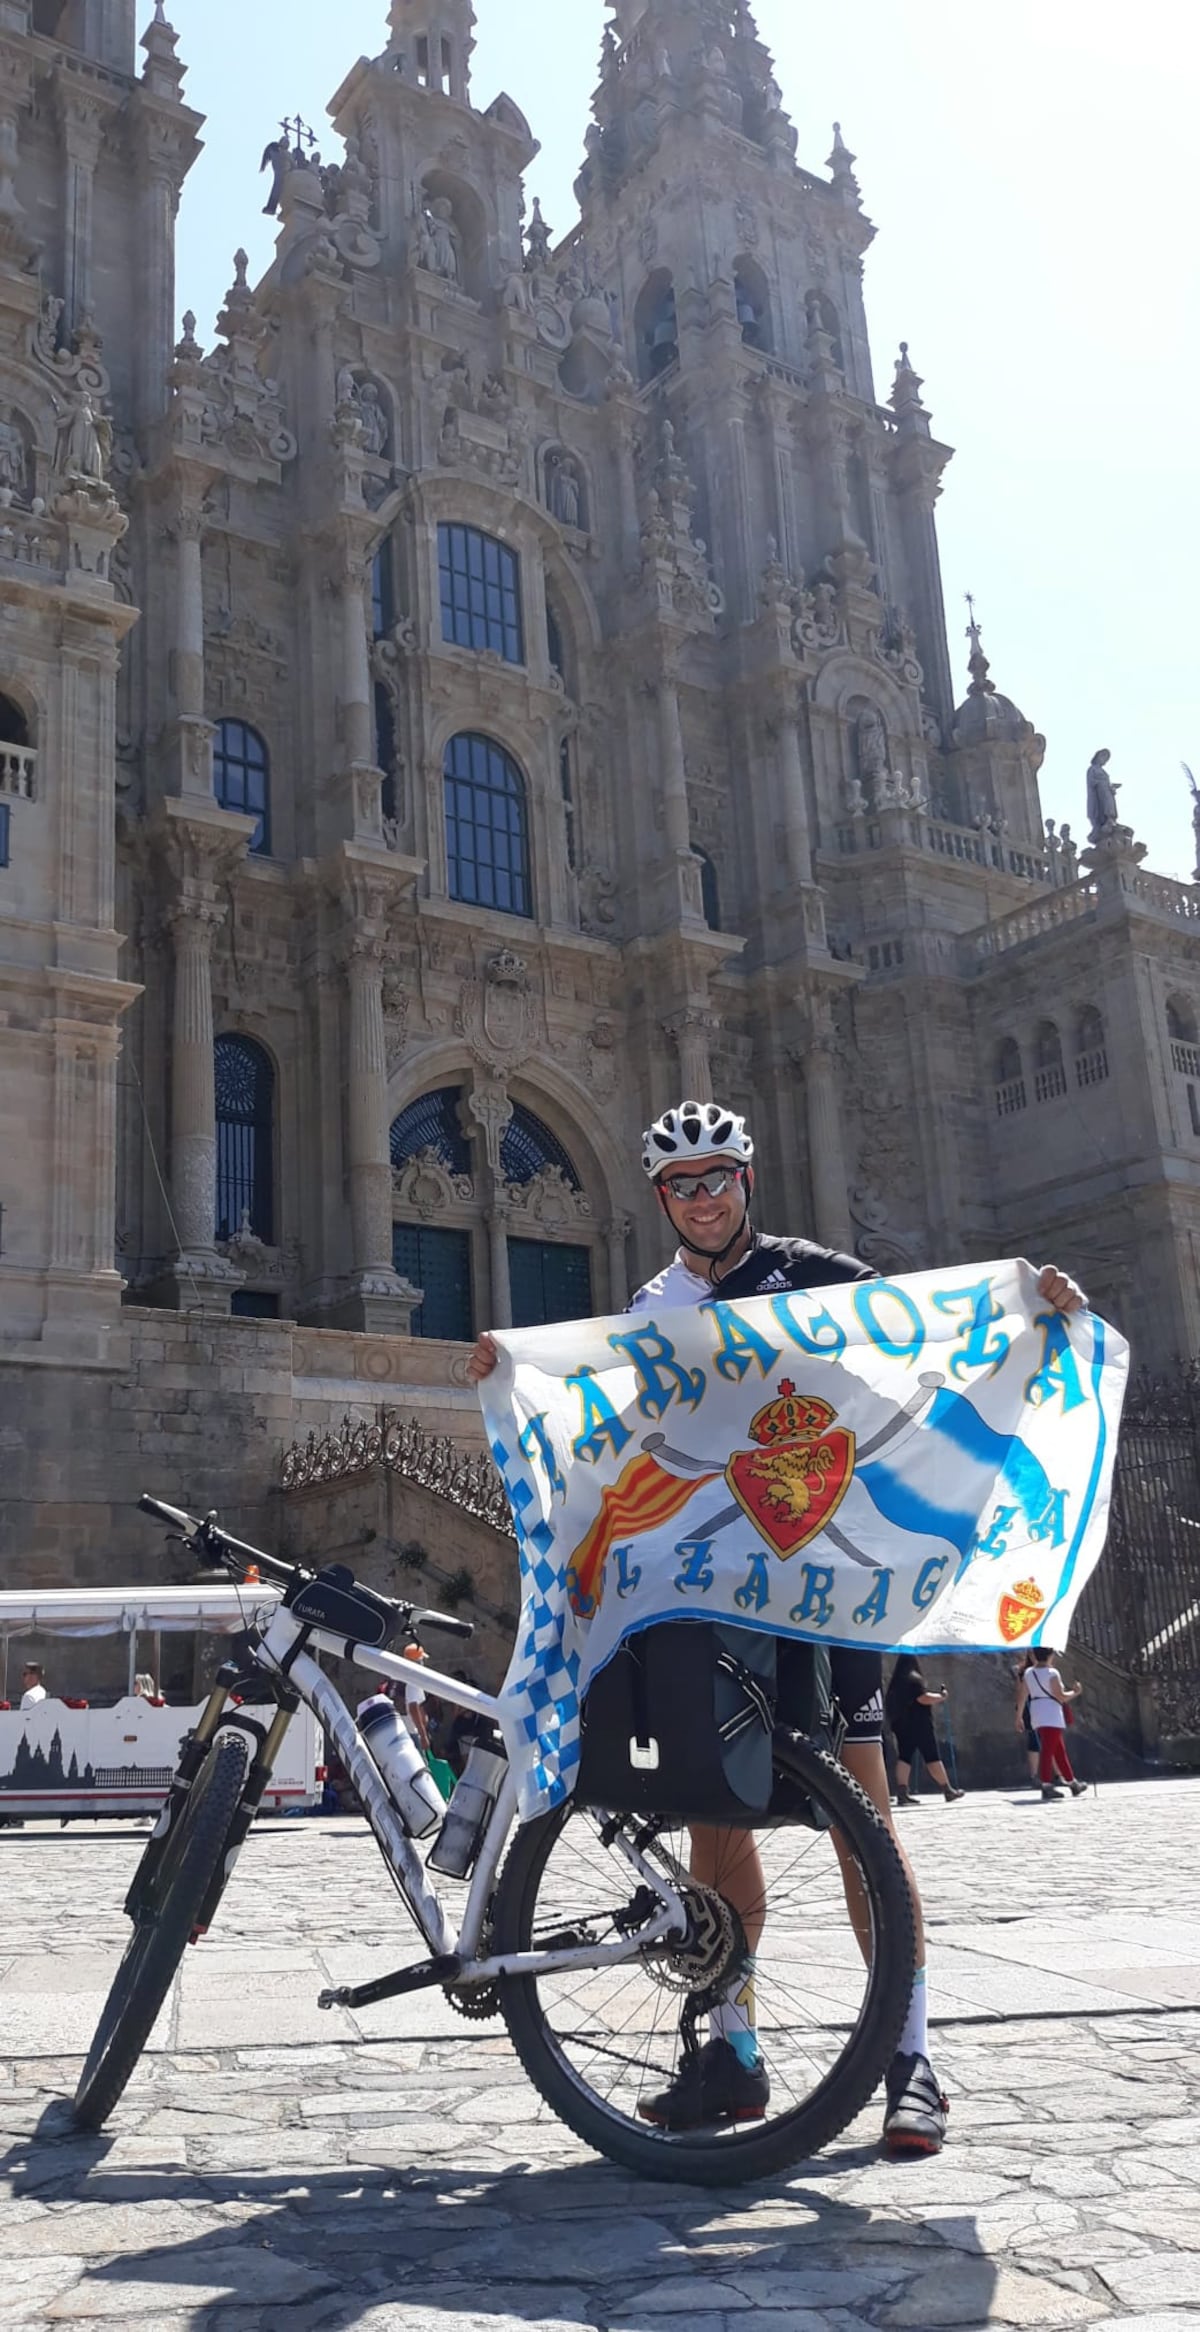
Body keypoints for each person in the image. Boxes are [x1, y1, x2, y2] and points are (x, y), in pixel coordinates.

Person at [467, 1096, 1086, 2157]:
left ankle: (909, 2057)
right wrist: (513, 1376)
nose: (704, 1198)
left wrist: (1031, 1301)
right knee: (717, 1826)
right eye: (682, 1185)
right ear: (662, 1198)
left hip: (829, 1589)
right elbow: (624, 1433)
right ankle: (731, 2050)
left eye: (719, 1179)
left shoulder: (820, 1280)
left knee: (870, 1831)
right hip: (723, 1593)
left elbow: (931, 1341)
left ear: (746, 1183)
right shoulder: (653, 1307)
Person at [885, 1655, 964, 1806]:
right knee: (932, 1757)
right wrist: (941, 1696)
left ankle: (902, 1792)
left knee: (904, 1757)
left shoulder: (896, 1683)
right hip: (919, 1725)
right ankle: (947, 1789)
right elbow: (922, 1698)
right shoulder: (913, 1679)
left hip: (902, 1725)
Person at [1019, 1647, 1085, 1800]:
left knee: (1058, 1749)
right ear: (1049, 1656)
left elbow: (1023, 1694)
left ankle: (1072, 1782)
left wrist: (1019, 1716)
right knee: (1048, 1750)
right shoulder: (1052, 1673)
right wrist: (1075, 1692)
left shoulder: (1029, 1673)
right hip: (1051, 1713)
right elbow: (1060, 1696)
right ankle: (1047, 1784)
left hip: (1037, 1711)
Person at [1014, 1650, 1041, 1786]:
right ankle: (1034, 1775)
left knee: (1051, 1741)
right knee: (1034, 1741)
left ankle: (1058, 1775)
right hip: (1030, 1707)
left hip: (1045, 1708)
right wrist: (1019, 1714)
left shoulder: (1047, 1669)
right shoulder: (1024, 1672)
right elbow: (1020, 1692)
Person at [401, 1643, 430, 1754]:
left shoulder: (398, 1675)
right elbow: (413, 1707)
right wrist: (423, 1736)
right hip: (412, 1732)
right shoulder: (412, 1681)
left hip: (402, 1729)